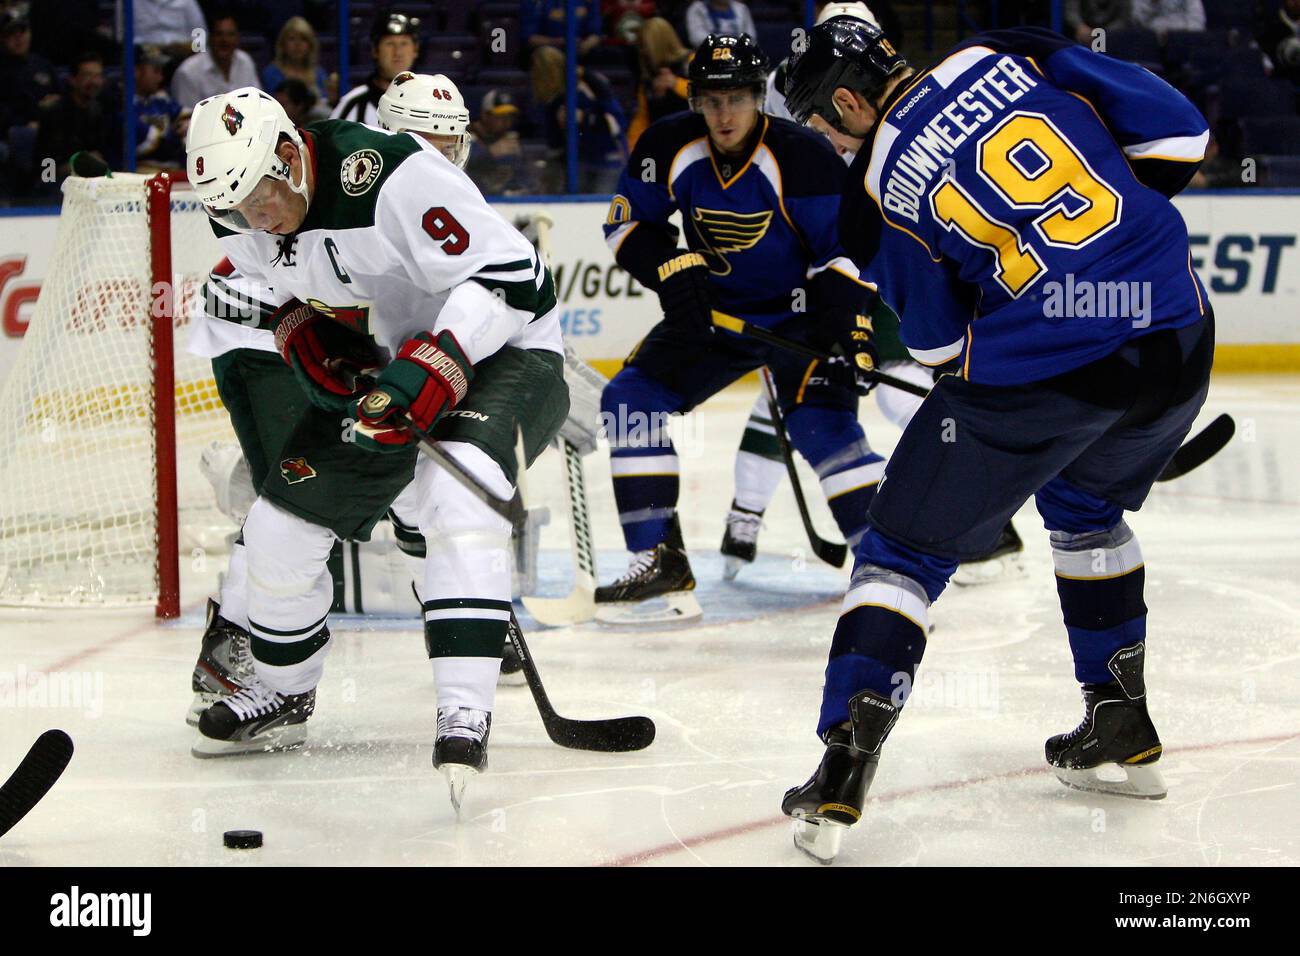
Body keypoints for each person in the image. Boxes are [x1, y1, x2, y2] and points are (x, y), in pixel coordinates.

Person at [780, 18, 1214, 862]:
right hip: (1179, 332)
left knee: (901, 550)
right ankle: (1120, 718)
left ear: (846, 100)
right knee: (1086, 508)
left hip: (1052, 373)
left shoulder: (871, 194)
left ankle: (843, 764)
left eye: (822, 126)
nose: (826, 144)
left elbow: (942, 350)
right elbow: (1181, 135)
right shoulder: (1008, 52)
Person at [184, 87, 567, 809]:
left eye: (261, 196)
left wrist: (440, 361)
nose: (254, 219)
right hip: (401, 361)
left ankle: (464, 710)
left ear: (291, 156)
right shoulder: (235, 211)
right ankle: (283, 692)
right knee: (277, 529)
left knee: (455, 496)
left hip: (510, 350)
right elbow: (275, 287)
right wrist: (300, 327)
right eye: (234, 210)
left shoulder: (391, 173)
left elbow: (516, 279)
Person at [595, 33, 882, 623]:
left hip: (799, 319)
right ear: (696, 100)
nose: (724, 114)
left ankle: (886, 565)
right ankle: (658, 559)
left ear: (758, 97)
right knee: (630, 400)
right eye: (711, 99)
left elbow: (845, 252)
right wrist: (669, 266)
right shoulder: (667, 144)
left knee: (823, 427)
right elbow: (626, 226)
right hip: (715, 318)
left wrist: (849, 329)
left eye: (737, 99)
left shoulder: (803, 155)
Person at [35, 51, 114, 184]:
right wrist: (75, 166)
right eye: (87, 75)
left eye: (98, 76)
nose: (94, 82)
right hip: (55, 187)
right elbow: (46, 166)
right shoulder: (55, 113)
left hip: (93, 184)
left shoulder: (102, 111)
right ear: (73, 80)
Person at [331, 11, 419, 126]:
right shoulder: (353, 103)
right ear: (375, 50)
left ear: (415, 50)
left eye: (404, 43)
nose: (398, 52)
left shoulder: (434, 103)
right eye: (390, 43)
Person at [171, 13, 261, 113]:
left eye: (230, 34)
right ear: (210, 38)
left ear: (238, 38)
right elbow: (187, 119)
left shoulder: (245, 61)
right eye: (219, 34)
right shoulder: (188, 72)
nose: (225, 40)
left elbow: (258, 104)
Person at [627, 16, 692, 149]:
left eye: (646, 45)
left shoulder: (692, 61)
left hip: (693, 141)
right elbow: (642, 119)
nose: (644, 51)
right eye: (641, 46)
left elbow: (708, 95)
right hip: (661, 146)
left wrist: (675, 83)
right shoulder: (648, 78)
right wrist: (633, 152)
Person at [262, 16, 333, 121]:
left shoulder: (319, 74)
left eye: (303, 39)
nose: (297, 44)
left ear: (310, 45)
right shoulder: (271, 74)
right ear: (283, 44)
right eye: (292, 39)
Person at [132, 45, 186, 167]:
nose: (160, 77)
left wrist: (187, 125)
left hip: (172, 172)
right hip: (139, 175)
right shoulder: (122, 104)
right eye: (155, 71)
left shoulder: (159, 100)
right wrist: (176, 136)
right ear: (136, 71)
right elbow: (152, 145)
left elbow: (187, 116)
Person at [466, 89, 528, 195]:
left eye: (510, 116)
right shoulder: (466, 137)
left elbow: (522, 181)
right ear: (485, 115)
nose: (506, 121)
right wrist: (489, 153)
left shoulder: (509, 140)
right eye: (500, 116)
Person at [683, 0, 756, 47]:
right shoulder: (696, 9)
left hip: (739, 54)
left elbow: (751, 38)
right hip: (708, 54)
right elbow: (697, 39)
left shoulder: (741, 8)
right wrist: (730, 42)